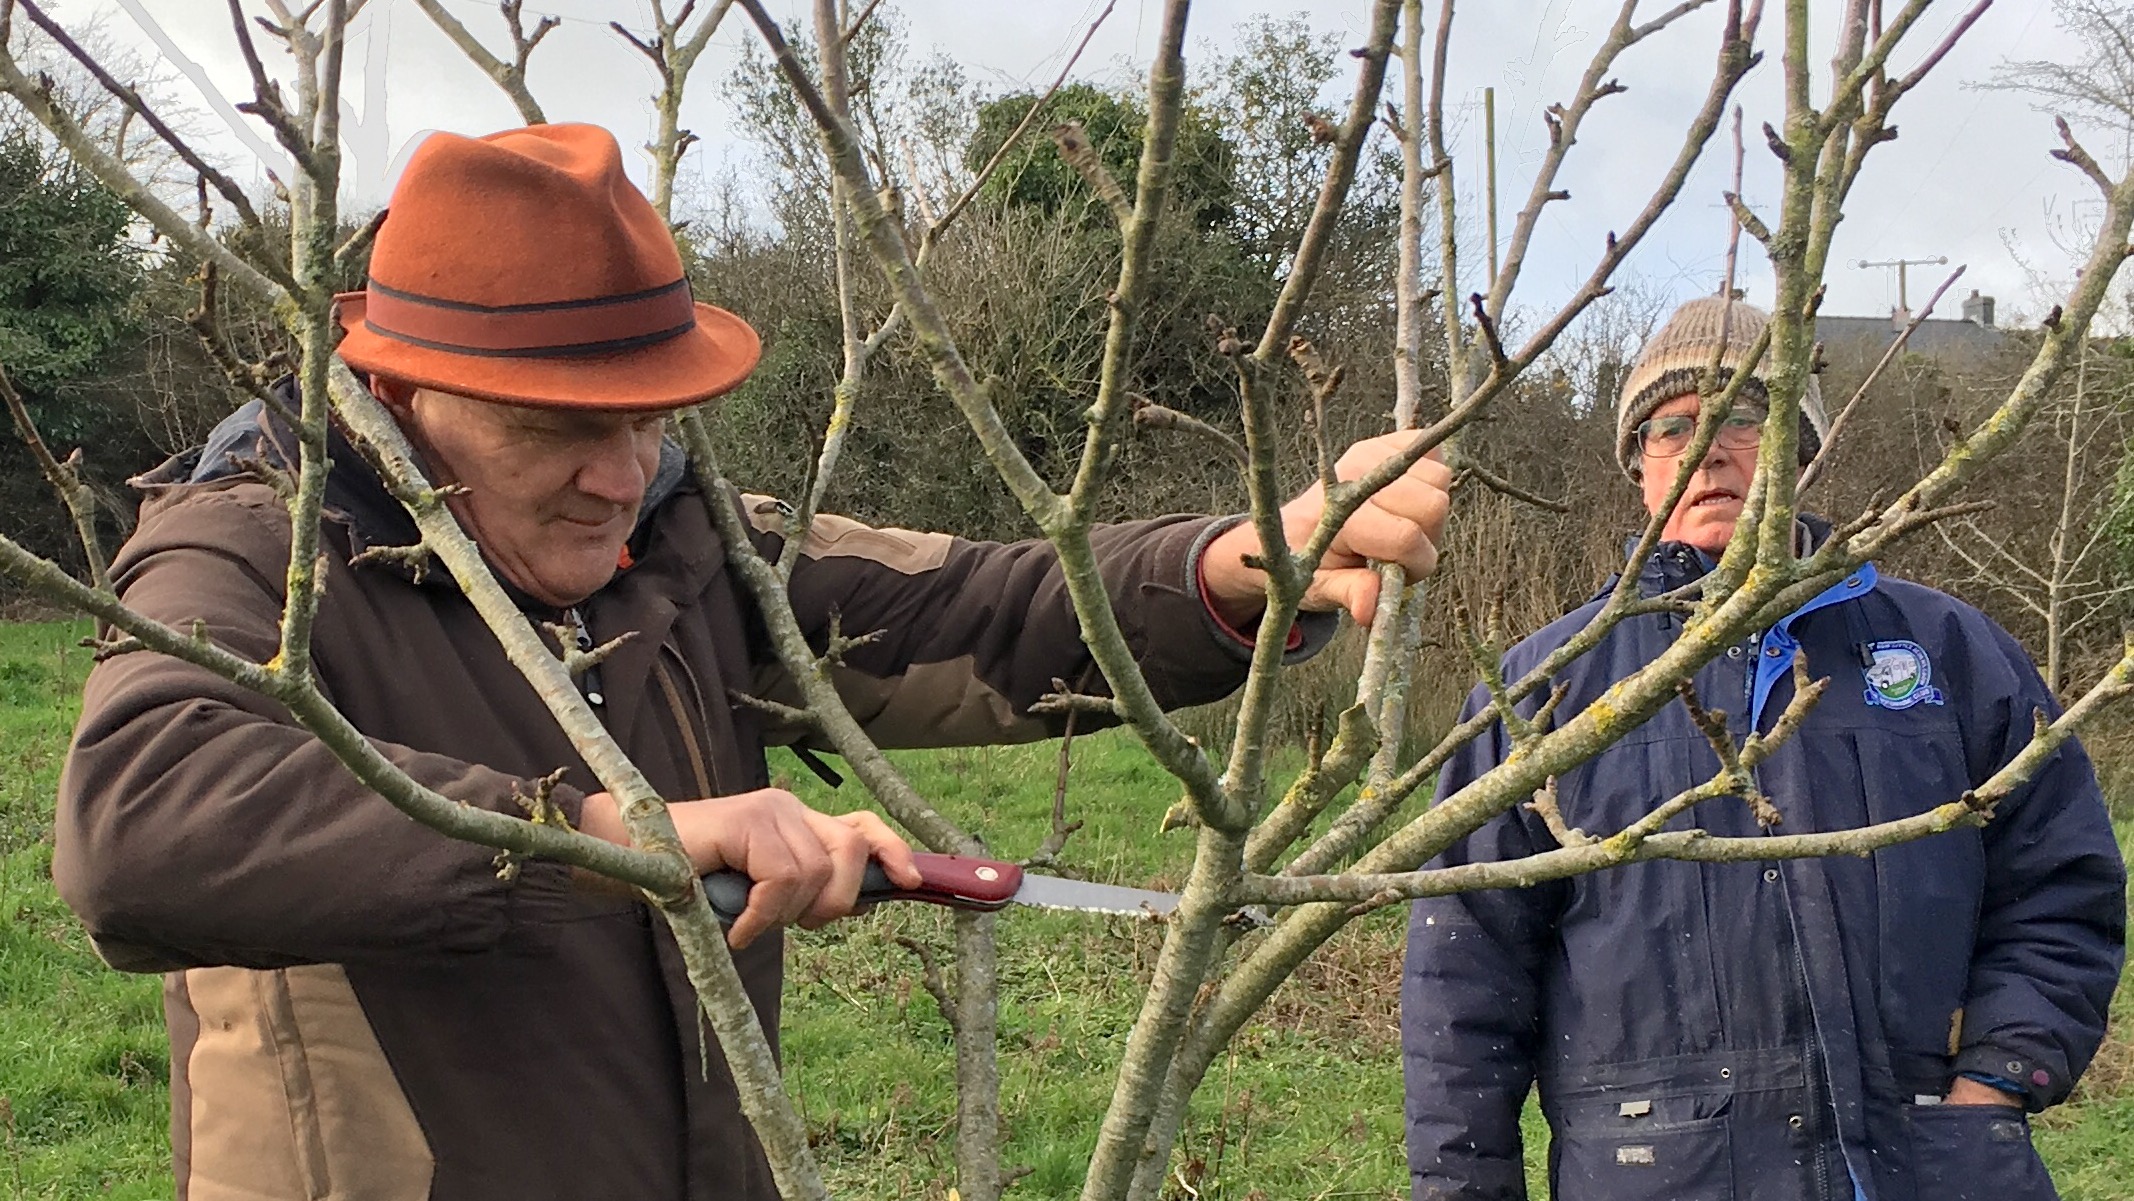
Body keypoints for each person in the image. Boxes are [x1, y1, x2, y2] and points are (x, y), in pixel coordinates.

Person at [53, 124, 1452, 1201]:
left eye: (649, 419)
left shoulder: (686, 547)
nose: (619, 476)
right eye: (558, 429)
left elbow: (973, 608)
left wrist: (1225, 567)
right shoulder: (253, 548)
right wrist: (603, 833)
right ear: (402, 392)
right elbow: (143, 824)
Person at [1400, 296, 2126, 1201]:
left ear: (1805, 447)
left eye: (1746, 416)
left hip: (1929, 1164)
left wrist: (1997, 1078)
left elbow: (2061, 885)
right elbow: (1462, 976)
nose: (1709, 450)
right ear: (1639, 469)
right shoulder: (1546, 690)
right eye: (1672, 428)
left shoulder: (1947, 654)